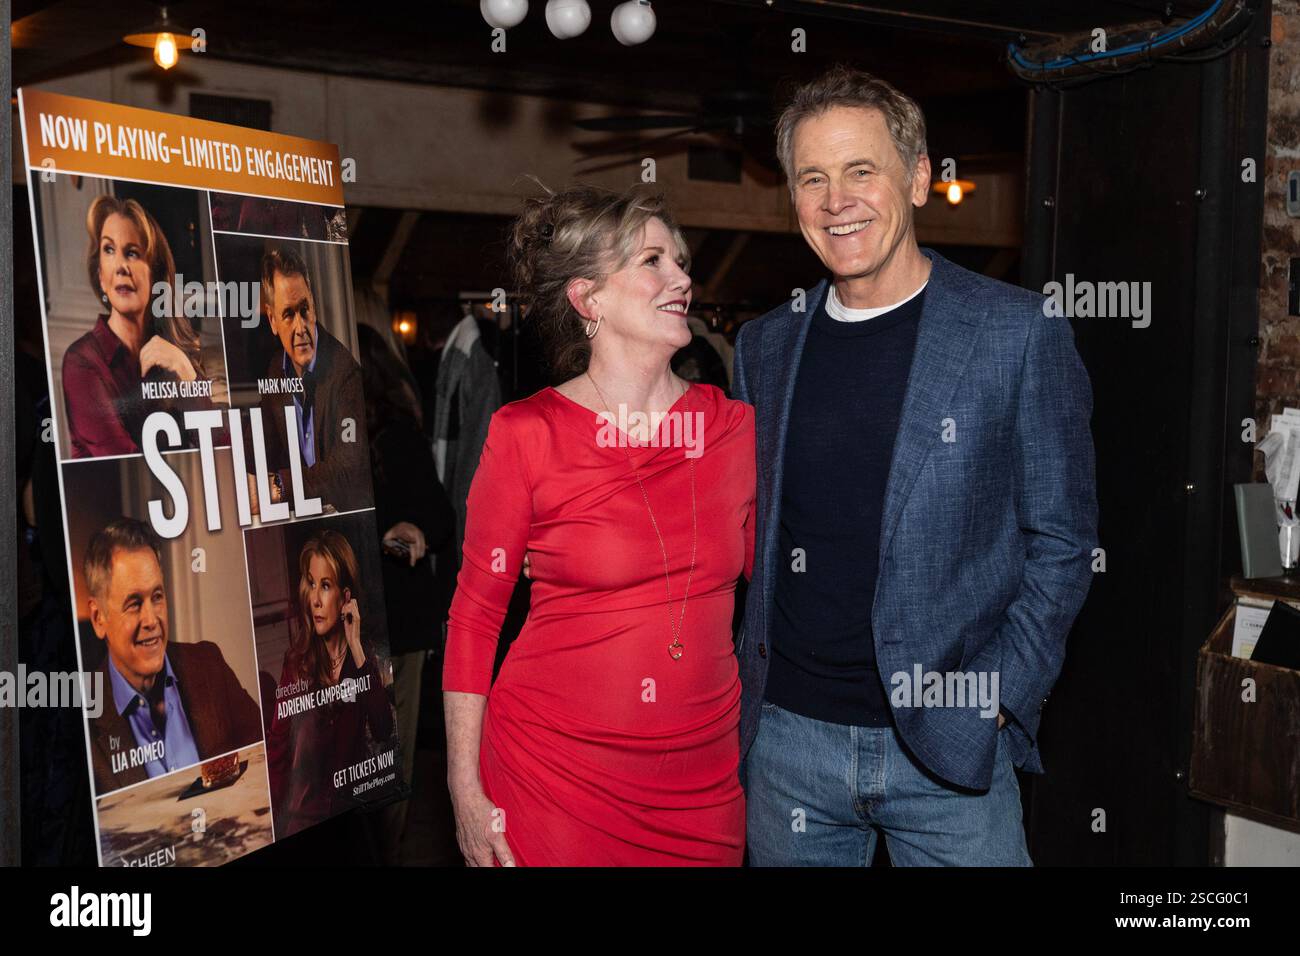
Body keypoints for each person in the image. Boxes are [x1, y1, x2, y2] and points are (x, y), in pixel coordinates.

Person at [734, 65, 1098, 866]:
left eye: (862, 171)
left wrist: (996, 701)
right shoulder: (764, 347)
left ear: (921, 179)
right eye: (813, 178)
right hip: (789, 745)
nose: (837, 201)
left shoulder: (1018, 333)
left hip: (949, 752)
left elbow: (1064, 544)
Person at [443, 184, 756, 866]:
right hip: (554, 779)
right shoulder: (526, 433)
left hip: (703, 786)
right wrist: (464, 786)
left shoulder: (731, 428)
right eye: (653, 262)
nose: (682, 278)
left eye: (680, 260)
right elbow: (473, 617)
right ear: (589, 300)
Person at [356, 323, 457, 863]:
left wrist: (413, 527)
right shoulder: (312, 435)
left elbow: (440, 515)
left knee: (386, 765)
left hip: (396, 624)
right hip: (339, 624)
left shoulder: (396, 436)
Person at [83, 518, 262, 795]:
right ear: (98, 618)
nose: (152, 619)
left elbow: (266, 750)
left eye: (157, 596)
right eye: (134, 604)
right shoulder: (82, 718)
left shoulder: (208, 664)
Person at [265, 529, 398, 839]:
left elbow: (382, 728)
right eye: (311, 584)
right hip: (304, 821)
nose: (315, 599)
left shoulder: (361, 660)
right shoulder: (296, 663)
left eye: (325, 586)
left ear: (345, 598)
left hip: (352, 816)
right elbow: (278, 750)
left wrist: (356, 646)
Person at [63, 195, 215, 458]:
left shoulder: (175, 352)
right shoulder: (81, 363)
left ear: (155, 273)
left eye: (132, 253)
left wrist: (184, 370)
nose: (121, 266)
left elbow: (221, 444)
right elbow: (126, 467)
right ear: (100, 275)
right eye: (109, 250)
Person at [247, 247, 369, 515]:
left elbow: (348, 469)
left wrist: (278, 486)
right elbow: (258, 443)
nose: (301, 327)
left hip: (349, 521)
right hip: (307, 519)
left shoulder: (346, 374)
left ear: (313, 304)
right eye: (289, 314)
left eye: (305, 310)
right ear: (272, 321)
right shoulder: (276, 371)